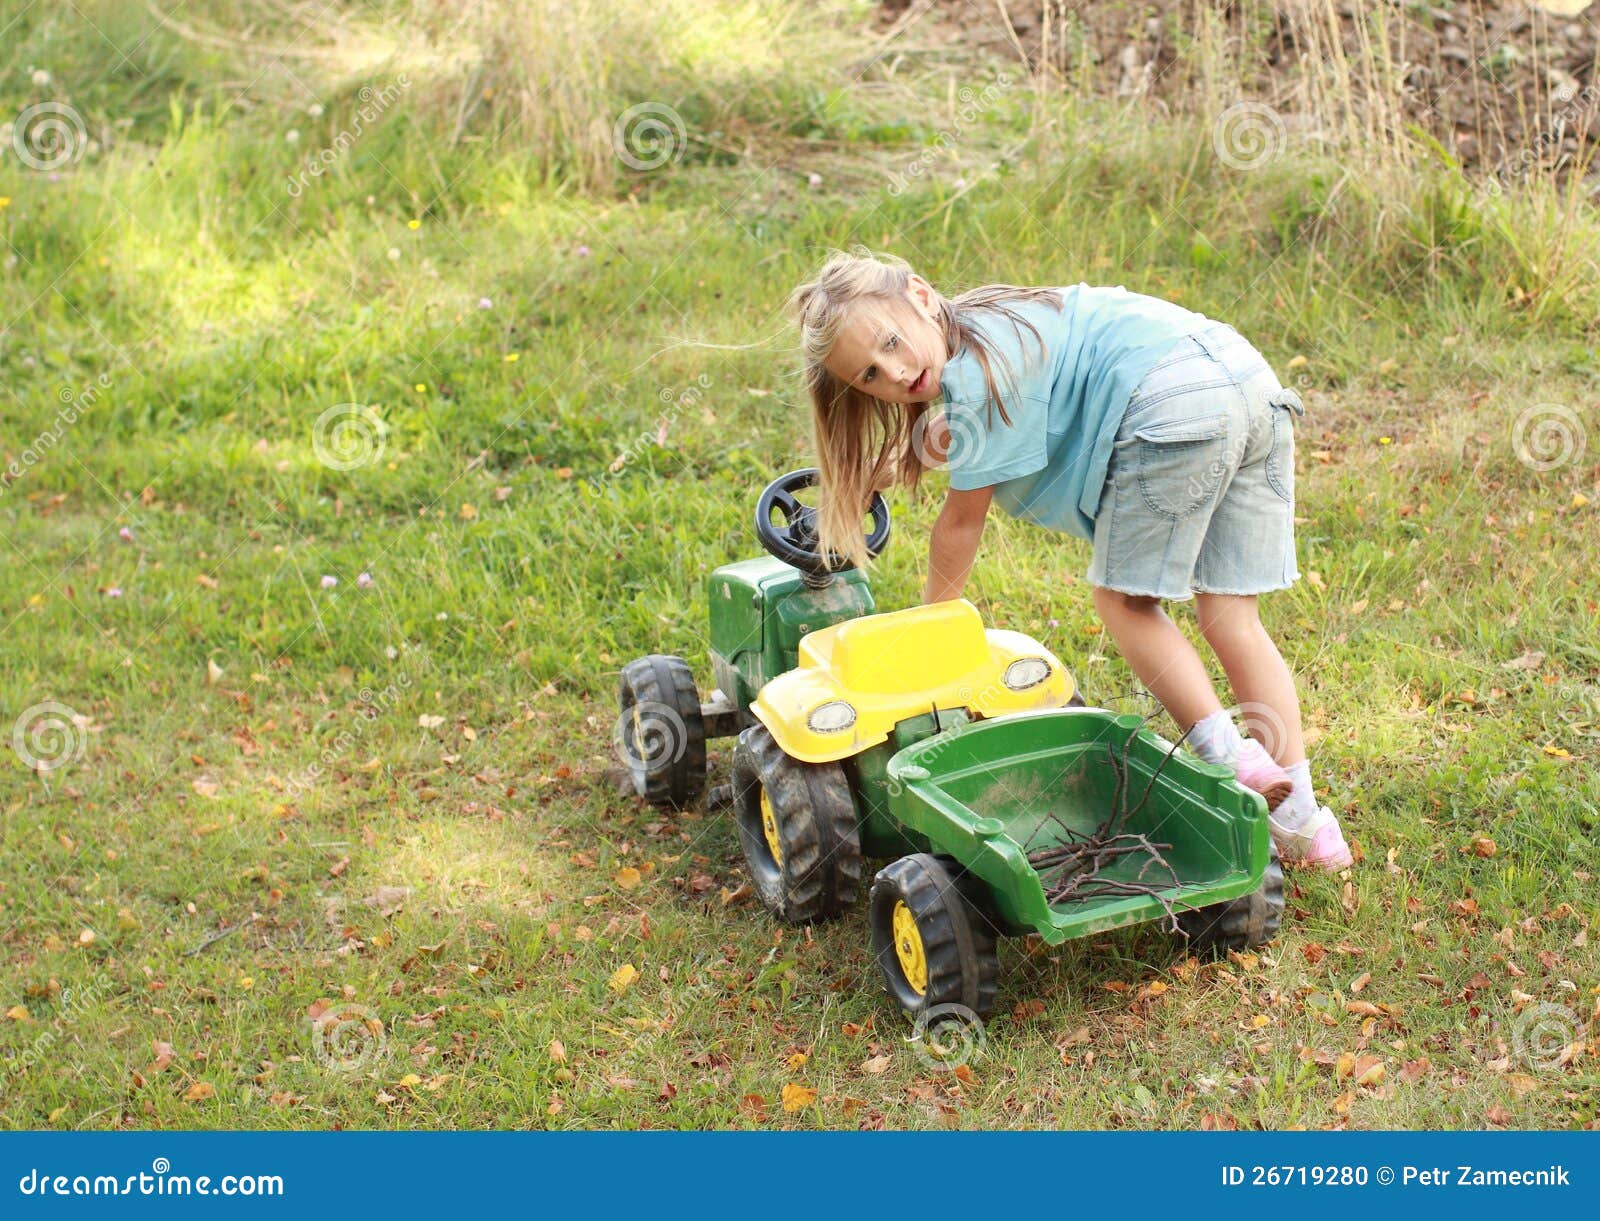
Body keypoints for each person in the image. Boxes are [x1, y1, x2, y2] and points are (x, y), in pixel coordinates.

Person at [786, 249, 1352, 871]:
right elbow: (982, 427)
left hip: (1171, 406)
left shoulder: (975, 379)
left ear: (920, 296)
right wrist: (891, 467)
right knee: (1232, 616)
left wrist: (932, 630)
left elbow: (960, 522)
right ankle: (1308, 826)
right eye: (869, 375)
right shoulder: (998, 320)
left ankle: (1230, 755)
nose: (894, 373)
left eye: (891, 343)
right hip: (1248, 383)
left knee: (1125, 605)